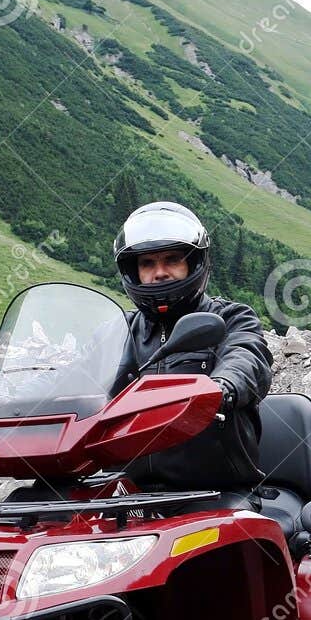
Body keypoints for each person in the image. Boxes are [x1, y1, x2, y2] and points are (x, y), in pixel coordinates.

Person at [111, 201, 273, 496]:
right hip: (125, 495)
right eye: (147, 263)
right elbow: (79, 371)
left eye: (172, 259)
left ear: (194, 263)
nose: (159, 272)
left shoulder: (231, 318)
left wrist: (221, 387)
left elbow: (246, 357)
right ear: (133, 271)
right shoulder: (118, 330)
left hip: (217, 493)